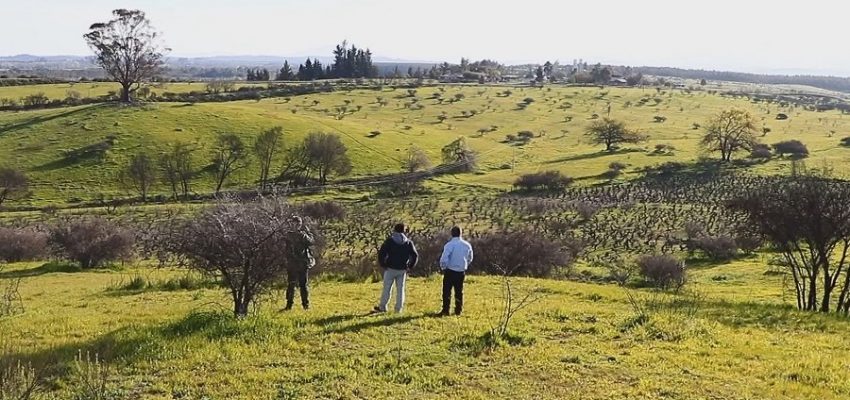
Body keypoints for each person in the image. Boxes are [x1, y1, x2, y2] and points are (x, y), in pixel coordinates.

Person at [374, 223, 419, 313]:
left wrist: (383, 264)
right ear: (403, 230)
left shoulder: (390, 241)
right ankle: (398, 309)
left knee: (387, 288)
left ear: (395, 230)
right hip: (402, 269)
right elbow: (415, 255)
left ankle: (383, 307)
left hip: (390, 268)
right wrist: (410, 266)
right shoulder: (408, 242)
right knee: (400, 290)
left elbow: (382, 253)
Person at [439, 226, 473, 316]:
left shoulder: (450, 245)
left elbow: (444, 258)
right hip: (461, 271)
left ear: (452, 233)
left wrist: (443, 267)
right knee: (459, 291)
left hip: (450, 270)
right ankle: (458, 310)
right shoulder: (467, 245)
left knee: (447, 291)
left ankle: (446, 310)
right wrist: (465, 265)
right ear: (461, 233)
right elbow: (470, 258)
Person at [284, 216, 315, 311]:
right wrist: (308, 232)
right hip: (302, 263)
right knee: (303, 285)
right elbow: (311, 242)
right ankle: (305, 305)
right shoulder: (303, 235)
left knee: (291, 284)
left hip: (291, 263)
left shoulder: (287, 235)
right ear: (299, 225)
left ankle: (289, 305)